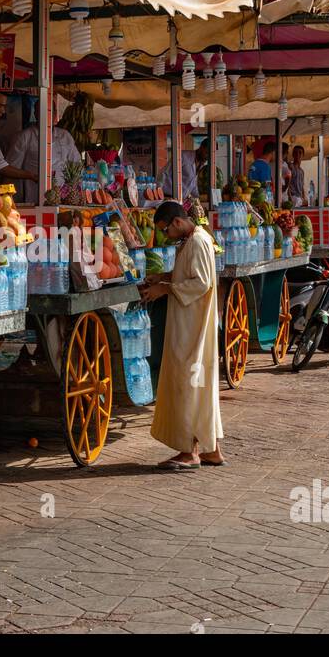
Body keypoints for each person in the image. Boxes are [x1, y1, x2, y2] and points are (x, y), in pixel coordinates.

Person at [141, 201, 224, 470]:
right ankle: (211, 450)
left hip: (193, 328)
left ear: (177, 222)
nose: (166, 236)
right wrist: (163, 276)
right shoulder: (191, 241)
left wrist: (165, 289)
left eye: (166, 230)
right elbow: (189, 274)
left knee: (188, 383)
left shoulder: (198, 242)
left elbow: (201, 283)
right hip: (188, 324)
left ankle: (189, 452)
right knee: (198, 386)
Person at [6, 115, 82, 204]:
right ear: (36, 113)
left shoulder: (65, 136)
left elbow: (77, 165)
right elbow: (10, 169)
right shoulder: (24, 136)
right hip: (35, 199)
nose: (47, 116)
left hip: (64, 199)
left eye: (51, 112)